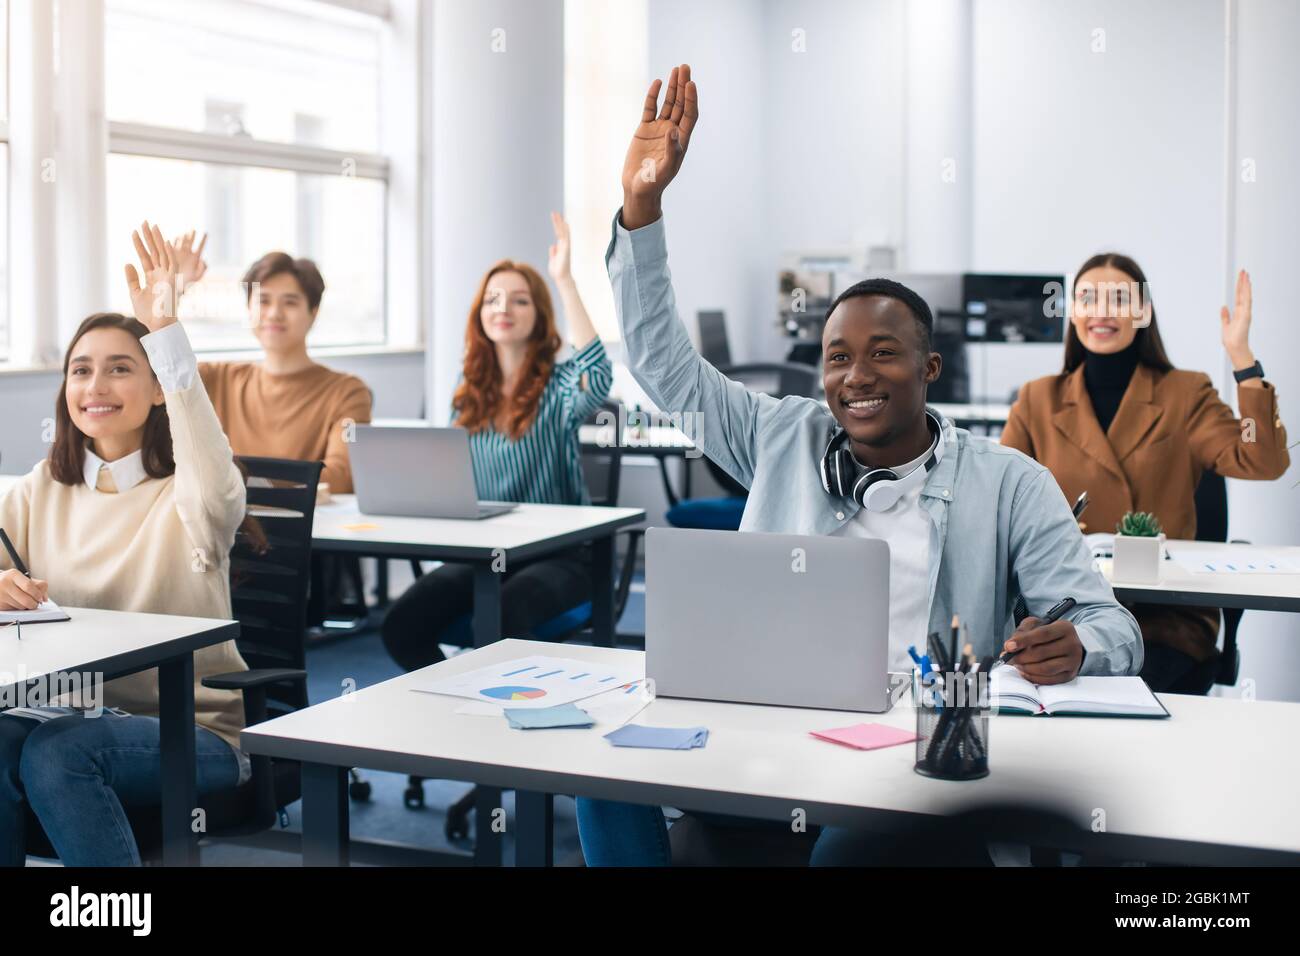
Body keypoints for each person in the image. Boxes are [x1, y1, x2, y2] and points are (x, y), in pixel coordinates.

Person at [574, 64, 1142, 866]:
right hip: (766, 735)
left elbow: (1111, 624)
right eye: (839, 357)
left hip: (909, 763)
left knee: (849, 847)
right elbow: (665, 368)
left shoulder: (1010, 482)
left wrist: (1078, 647)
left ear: (930, 369)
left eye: (884, 354)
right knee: (598, 780)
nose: (857, 376)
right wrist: (642, 203)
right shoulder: (781, 436)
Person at [0, 223, 253, 866]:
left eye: (121, 369)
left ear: (156, 388)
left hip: (189, 732)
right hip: (61, 713)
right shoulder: (38, 490)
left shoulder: (192, 496)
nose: (96, 387)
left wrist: (166, 333)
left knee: (58, 755)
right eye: (81, 371)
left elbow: (210, 464)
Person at [1001, 256, 1290, 692]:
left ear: (1143, 312)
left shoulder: (1186, 392)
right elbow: (998, 503)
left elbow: (1261, 459)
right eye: (1087, 298)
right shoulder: (1037, 399)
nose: (1101, 311)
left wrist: (1243, 362)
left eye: (1119, 299)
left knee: (1120, 695)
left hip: (1165, 621)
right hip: (1064, 613)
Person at [380, 212, 613, 671]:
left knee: (503, 615)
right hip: (486, 555)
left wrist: (564, 280)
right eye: (493, 299)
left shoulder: (560, 386)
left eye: (519, 300)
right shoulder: (468, 391)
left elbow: (598, 375)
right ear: (480, 314)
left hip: (561, 556)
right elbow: (449, 476)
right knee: (400, 625)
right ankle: (458, 708)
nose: (503, 308)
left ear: (539, 314)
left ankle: (521, 718)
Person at [168, 232, 373, 495]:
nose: (274, 313)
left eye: (290, 302)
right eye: (263, 301)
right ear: (248, 310)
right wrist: (173, 292)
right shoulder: (217, 378)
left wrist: (231, 480)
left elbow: (342, 478)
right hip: (223, 528)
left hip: (301, 530)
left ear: (313, 313)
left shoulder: (348, 392)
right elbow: (148, 370)